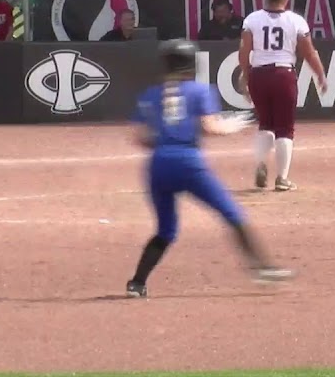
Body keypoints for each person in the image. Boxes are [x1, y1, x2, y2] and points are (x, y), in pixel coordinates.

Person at [125, 40, 293, 298]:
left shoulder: (150, 94)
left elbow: (140, 137)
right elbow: (210, 127)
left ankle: (137, 283)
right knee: (232, 214)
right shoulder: (200, 91)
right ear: (191, 64)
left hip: (158, 165)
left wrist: (165, 140)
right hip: (188, 162)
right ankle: (263, 269)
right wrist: (232, 126)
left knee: (166, 229)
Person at [240, 0, 328, 192]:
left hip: (259, 74)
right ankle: (282, 178)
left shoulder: (252, 20)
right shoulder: (296, 21)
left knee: (265, 124)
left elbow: (244, 50)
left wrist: (245, 73)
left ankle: (261, 164)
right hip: (283, 74)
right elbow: (309, 52)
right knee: (285, 128)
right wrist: (320, 74)